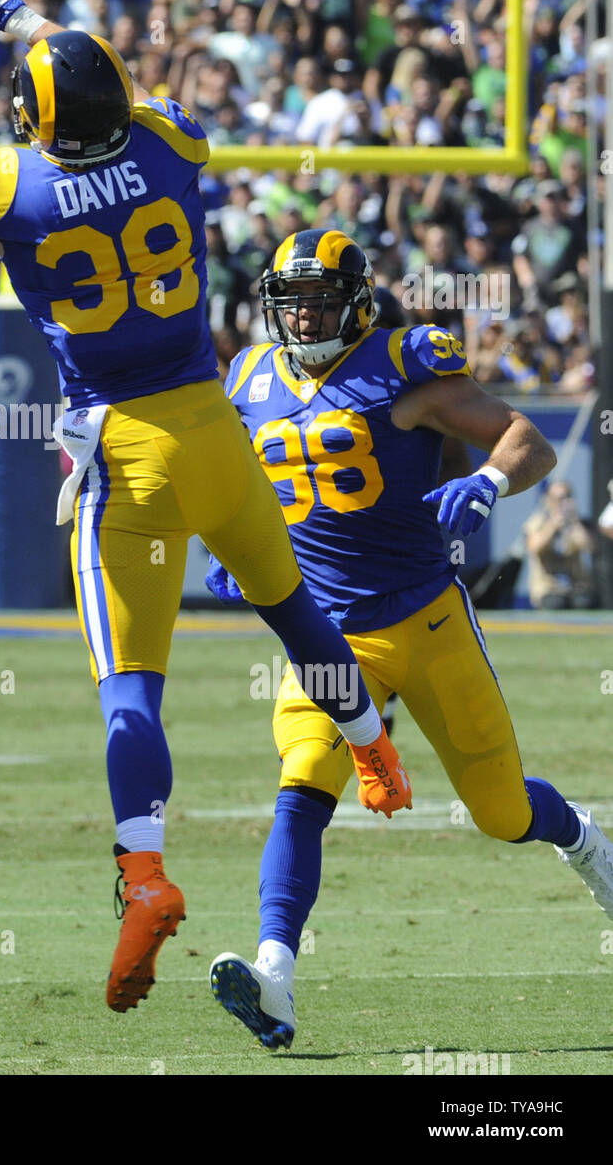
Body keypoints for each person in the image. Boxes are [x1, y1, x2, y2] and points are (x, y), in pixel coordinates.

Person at [0, 0, 412, 1014]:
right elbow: (99, 75)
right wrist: (20, 12)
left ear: (36, 120)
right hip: (216, 423)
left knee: (131, 688)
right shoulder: (171, 143)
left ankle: (147, 874)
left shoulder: (11, 187)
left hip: (126, 448)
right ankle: (372, 750)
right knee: (297, 615)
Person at [204, 229, 613, 1049]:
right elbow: (233, 473)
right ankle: (274, 977)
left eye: (322, 298)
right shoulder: (248, 375)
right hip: (321, 630)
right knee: (302, 778)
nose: (307, 314)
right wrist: (225, 543)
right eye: (294, 301)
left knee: (499, 814)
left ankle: (587, 843)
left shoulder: (404, 364)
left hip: (424, 621)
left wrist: (486, 480)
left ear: (356, 302)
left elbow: (523, 440)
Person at [523, 480, 597, 608]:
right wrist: (553, 524)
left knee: (584, 602)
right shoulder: (538, 522)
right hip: (548, 588)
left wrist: (574, 521)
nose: (562, 503)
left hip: (576, 586)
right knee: (556, 604)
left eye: (567, 497)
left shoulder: (579, 523)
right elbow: (533, 548)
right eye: (558, 499)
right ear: (549, 500)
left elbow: (590, 547)